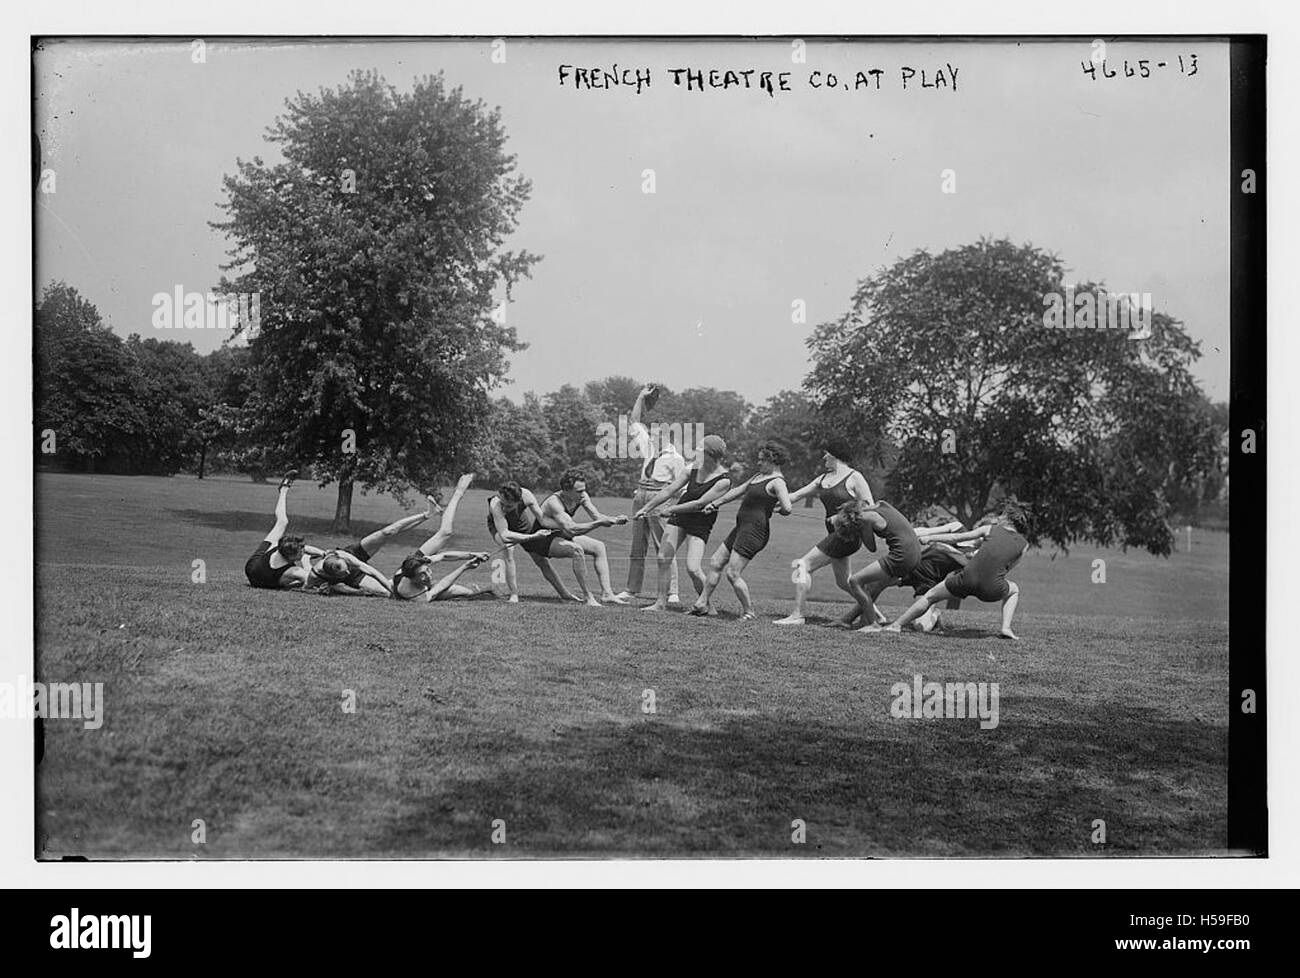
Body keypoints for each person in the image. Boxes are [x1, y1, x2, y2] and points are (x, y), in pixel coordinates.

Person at [879, 503, 1030, 639]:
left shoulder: (989, 529)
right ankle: (1006, 628)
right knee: (1014, 589)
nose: (999, 517)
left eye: (1002, 514)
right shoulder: (1024, 546)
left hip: (966, 579)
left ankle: (895, 625)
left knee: (930, 596)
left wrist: (931, 538)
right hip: (991, 588)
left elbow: (957, 537)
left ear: (1008, 518)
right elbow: (1007, 568)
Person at [774, 440, 875, 625]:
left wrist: (842, 516)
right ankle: (877, 616)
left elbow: (869, 506)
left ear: (835, 455)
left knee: (802, 565)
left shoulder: (855, 477)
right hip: (834, 536)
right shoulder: (823, 479)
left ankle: (797, 615)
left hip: (848, 536)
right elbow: (796, 495)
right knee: (845, 582)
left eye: (826, 453)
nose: (823, 457)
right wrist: (775, 502)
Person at [690, 442, 793, 619]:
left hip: (754, 531)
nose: (758, 463)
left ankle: (749, 612)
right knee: (715, 562)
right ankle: (701, 603)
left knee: (732, 573)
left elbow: (788, 507)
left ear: (772, 460)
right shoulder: (757, 476)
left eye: (761, 460)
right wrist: (715, 503)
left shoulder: (777, 482)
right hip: (741, 528)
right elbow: (737, 491)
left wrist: (782, 509)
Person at [634, 434, 731, 612]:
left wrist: (671, 510)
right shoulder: (692, 468)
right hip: (680, 518)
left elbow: (699, 503)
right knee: (663, 558)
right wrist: (646, 508)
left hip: (700, 523)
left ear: (710, 454)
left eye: (700, 449)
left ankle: (707, 605)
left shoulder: (723, 480)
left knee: (693, 568)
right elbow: (670, 489)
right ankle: (660, 603)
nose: (696, 451)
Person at [487, 481, 617, 605]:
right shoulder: (496, 504)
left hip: (520, 523)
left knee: (540, 559)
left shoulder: (526, 495)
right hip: (499, 527)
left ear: (518, 500)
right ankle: (514, 594)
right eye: (503, 503)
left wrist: (567, 526)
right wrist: (532, 536)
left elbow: (543, 521)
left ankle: (565, 594)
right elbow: (505, 535)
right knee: (508, 549)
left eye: (508, 506)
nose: (504, 507)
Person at [616, 384, 685, 603]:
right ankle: (631, 589)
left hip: (660, 499)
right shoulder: (649, 447)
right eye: (653, 433)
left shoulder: (676, 457)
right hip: (641, 495)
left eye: (658, 434)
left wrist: (672, 509)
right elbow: (634, 422)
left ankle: (672, 591)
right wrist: (640, 398)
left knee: (664, 546)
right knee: (637, 545)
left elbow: (680, 488)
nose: (653, 436)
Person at [312, 486, 448, 596]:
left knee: (388, 532)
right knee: (387, 593)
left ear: (338, 557)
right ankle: (415, 581)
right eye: (343, 574)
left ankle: (427, 514)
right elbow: (306, 586)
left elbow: (369, 570)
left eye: (346, 568)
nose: (347, 571)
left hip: (355, 555)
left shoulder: (344, 556)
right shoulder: (315, 574)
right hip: (354, 579)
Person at [537, 467, 631, 605]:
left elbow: (597, 517)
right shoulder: (554, 502)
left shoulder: (582, 496)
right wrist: (599, 522)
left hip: (561, 534)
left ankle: (607, 594)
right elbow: (572, 529)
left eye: (584, 489)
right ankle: (588, 597)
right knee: (577, 550)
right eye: (579, 491)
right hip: (541, 538)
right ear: (566, 489)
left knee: (599, 547)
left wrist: (615, 520)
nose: (583, 493)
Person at [834, 499, 923, 631]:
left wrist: (859, 529)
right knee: (874, 586)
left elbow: (871, 547)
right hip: (915, 555)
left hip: (902, 556)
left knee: (855, 581)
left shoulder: (865, 518)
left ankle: (873, 624)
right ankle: (846, 620)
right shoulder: (882, 504)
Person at [244, 470, 314, 589]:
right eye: (300, 552)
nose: (303, 552)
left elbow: (301, 549)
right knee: (294, 579)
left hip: (253, 566)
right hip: (261, 576)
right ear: (291, 558)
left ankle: (284, 489)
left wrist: (323, 553)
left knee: (282, 522)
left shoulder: (280, 548)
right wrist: (306, 563)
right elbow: (313, 579)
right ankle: (283, 488)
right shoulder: (294, 570)